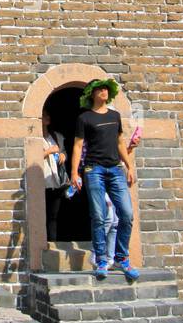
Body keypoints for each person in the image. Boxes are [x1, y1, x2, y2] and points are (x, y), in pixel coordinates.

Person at [70, 78, 140, 282]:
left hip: (115, 169)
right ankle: (101, 259)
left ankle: (122, 257)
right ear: (92, 94)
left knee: (126, 214)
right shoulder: (85, 118)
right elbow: (77, 146)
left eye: (106, 89)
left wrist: (129, 165)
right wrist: (75, 173)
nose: (104, 92)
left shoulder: (115, 116)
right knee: (99, 216)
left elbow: (119, 142)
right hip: (94, 170)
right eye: (100, 89)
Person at [41, 110, 68, 242]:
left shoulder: (56, 136)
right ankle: (41, 243)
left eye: (48, 114)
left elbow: (63, 152)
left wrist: (63, 155)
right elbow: (32, 158)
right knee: (41, 215)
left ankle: (52, 242)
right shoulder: (34, 138)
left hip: (56, 181)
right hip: (42, 181)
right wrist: (48, 151)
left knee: (53, 217)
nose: (48, 117)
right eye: (44, 115)